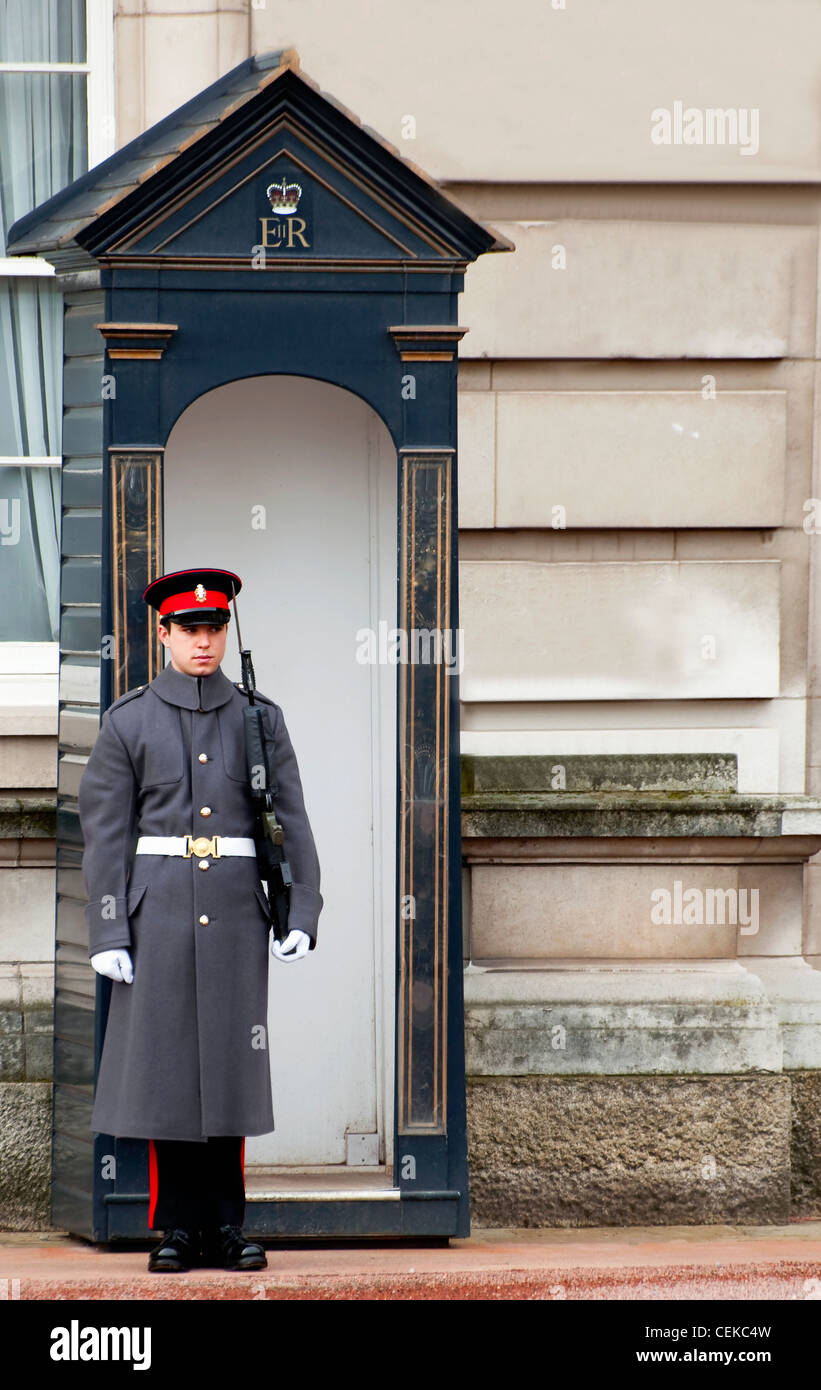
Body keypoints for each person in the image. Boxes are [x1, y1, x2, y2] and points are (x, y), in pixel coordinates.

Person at [78, 567, 323, 1272]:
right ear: (163, 633)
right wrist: (107, 929)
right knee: (165, 1070)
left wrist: (299, 908)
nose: (204, 641)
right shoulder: (129, 721)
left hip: (236, 910)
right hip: (156, 910)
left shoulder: (258, 717)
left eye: (214, 628)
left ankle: (225, 1224)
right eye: (190, 630)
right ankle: (176, 1228)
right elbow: (107, 835)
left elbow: (291, 820)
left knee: (227, 1066)